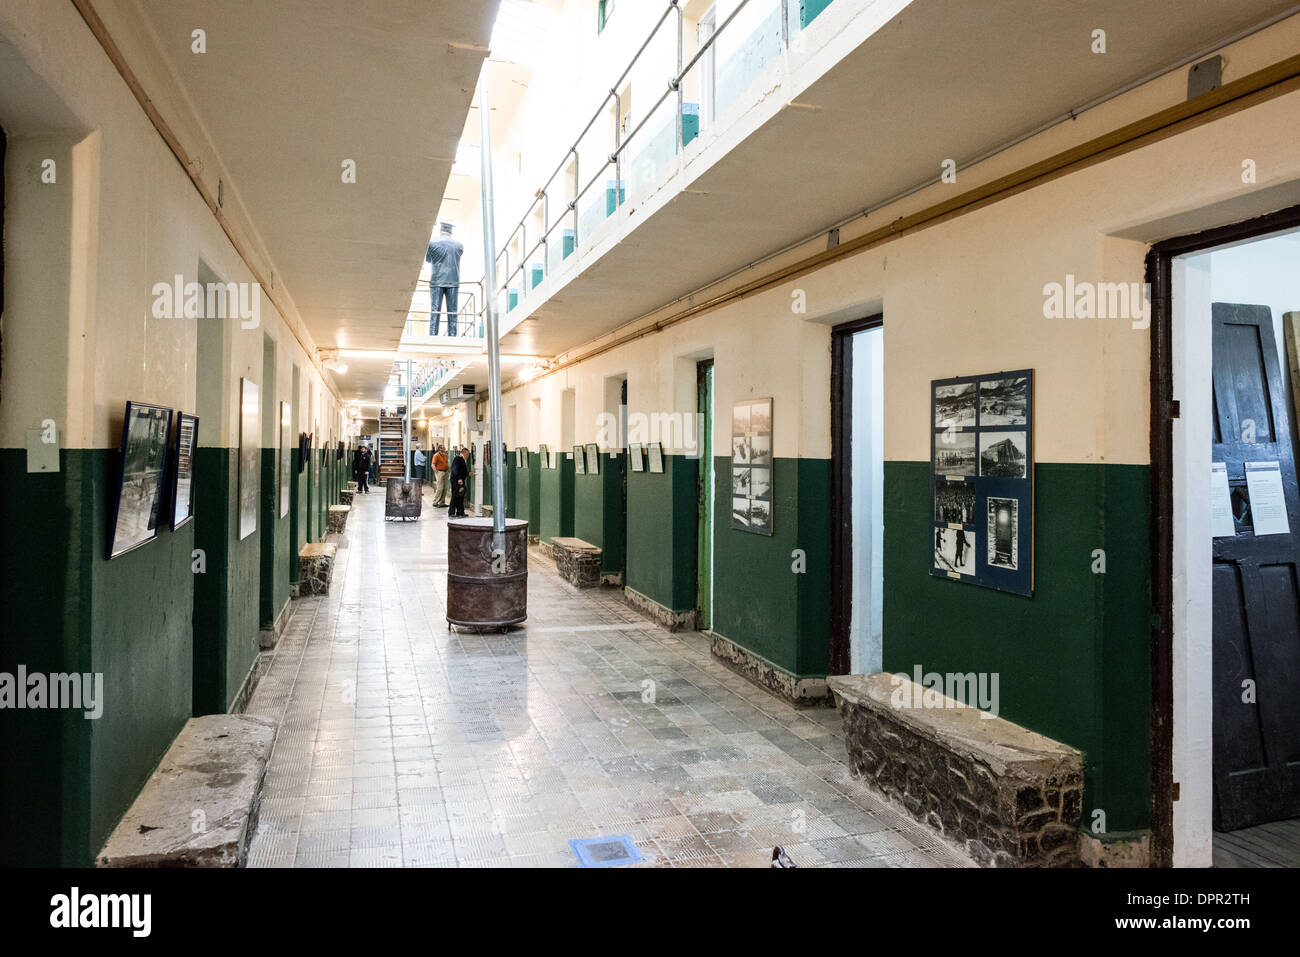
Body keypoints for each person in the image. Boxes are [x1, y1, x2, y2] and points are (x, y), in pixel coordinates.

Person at [425, 222, 464, 336]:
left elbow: (428, 259)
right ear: (451, 232)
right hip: (453, 281)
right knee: (452, 311)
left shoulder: (432, 243)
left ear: (440, 230)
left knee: (435, 310)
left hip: (436, 280)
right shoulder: (459, 246)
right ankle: (452, 335)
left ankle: (433, 335)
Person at [448, 446, 470, 517]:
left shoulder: (462, 459)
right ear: (464, 453)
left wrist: (468, 473)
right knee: (455, 496)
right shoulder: (458, 458)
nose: (468, 456)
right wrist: (459, 478)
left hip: (459, 480)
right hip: (456, 481)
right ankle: (451, 512)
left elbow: (461, 470)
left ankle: (460, 512)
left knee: (460, 496)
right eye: (467, 454)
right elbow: (455, 469)